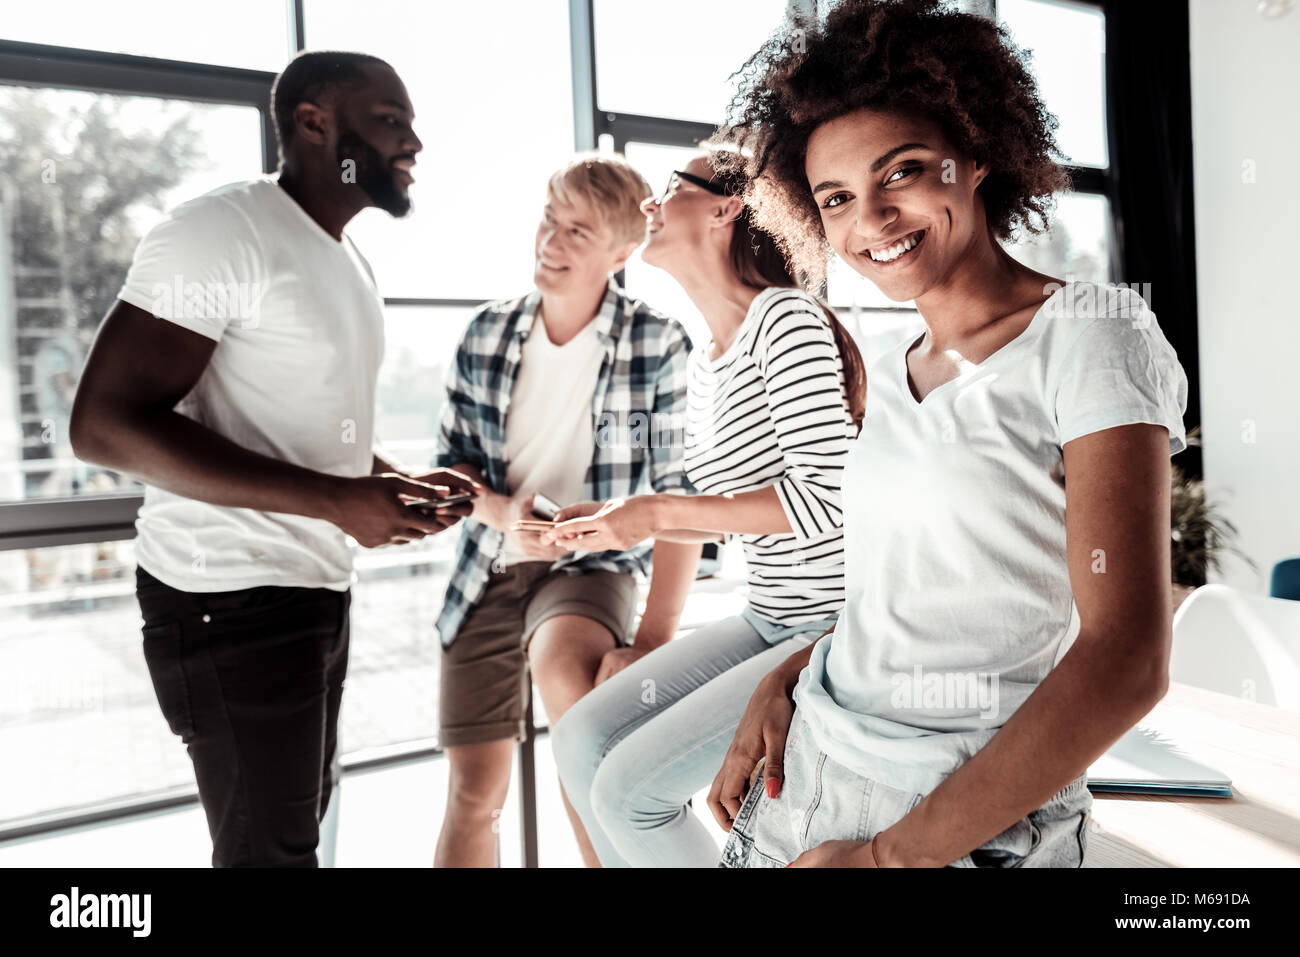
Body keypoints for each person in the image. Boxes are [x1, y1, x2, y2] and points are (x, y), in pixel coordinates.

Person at [707, 0, 1189, 868]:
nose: (873, 220)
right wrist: (784, 677)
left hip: (958, 822)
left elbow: (1127, 658)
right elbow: (915, 595)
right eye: (838, 199)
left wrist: (892, 857)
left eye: (902, 172)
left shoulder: (1094, 334)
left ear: (973, 157)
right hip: (807, 770)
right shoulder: (895, 368)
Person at [68, 50, 477, 867]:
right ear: (313, 122)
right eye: (391, 119)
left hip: (311, 591)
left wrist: (388, 484)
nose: (415, 143)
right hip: (225, 599)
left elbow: (302, 435)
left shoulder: (343, 258)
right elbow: (103, 426)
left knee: (290, 839)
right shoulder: (220, 231)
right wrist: (336, 501)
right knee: (271, 853)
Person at [544, 146, 867, 867]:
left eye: (668, 189)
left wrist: (657, 512)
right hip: (767, 613)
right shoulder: (704, 359)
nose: (650, 205)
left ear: (726, 208)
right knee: (578, 739)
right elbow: (711, 506)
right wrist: (617, 512)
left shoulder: (785, 320)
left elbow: (829, 498)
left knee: (631, 793)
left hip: (835, 623)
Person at [430, 153, 701, 868]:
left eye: (577, 231)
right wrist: (499, 510)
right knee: (473, 796)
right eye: (550, 220)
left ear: (620, 251)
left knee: (571, 708)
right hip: (485, 567)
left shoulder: (657, 343)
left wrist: (651, 637)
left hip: (593, 563)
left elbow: (679, 497)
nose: (551, 241)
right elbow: (449, 465)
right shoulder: (486, 333)